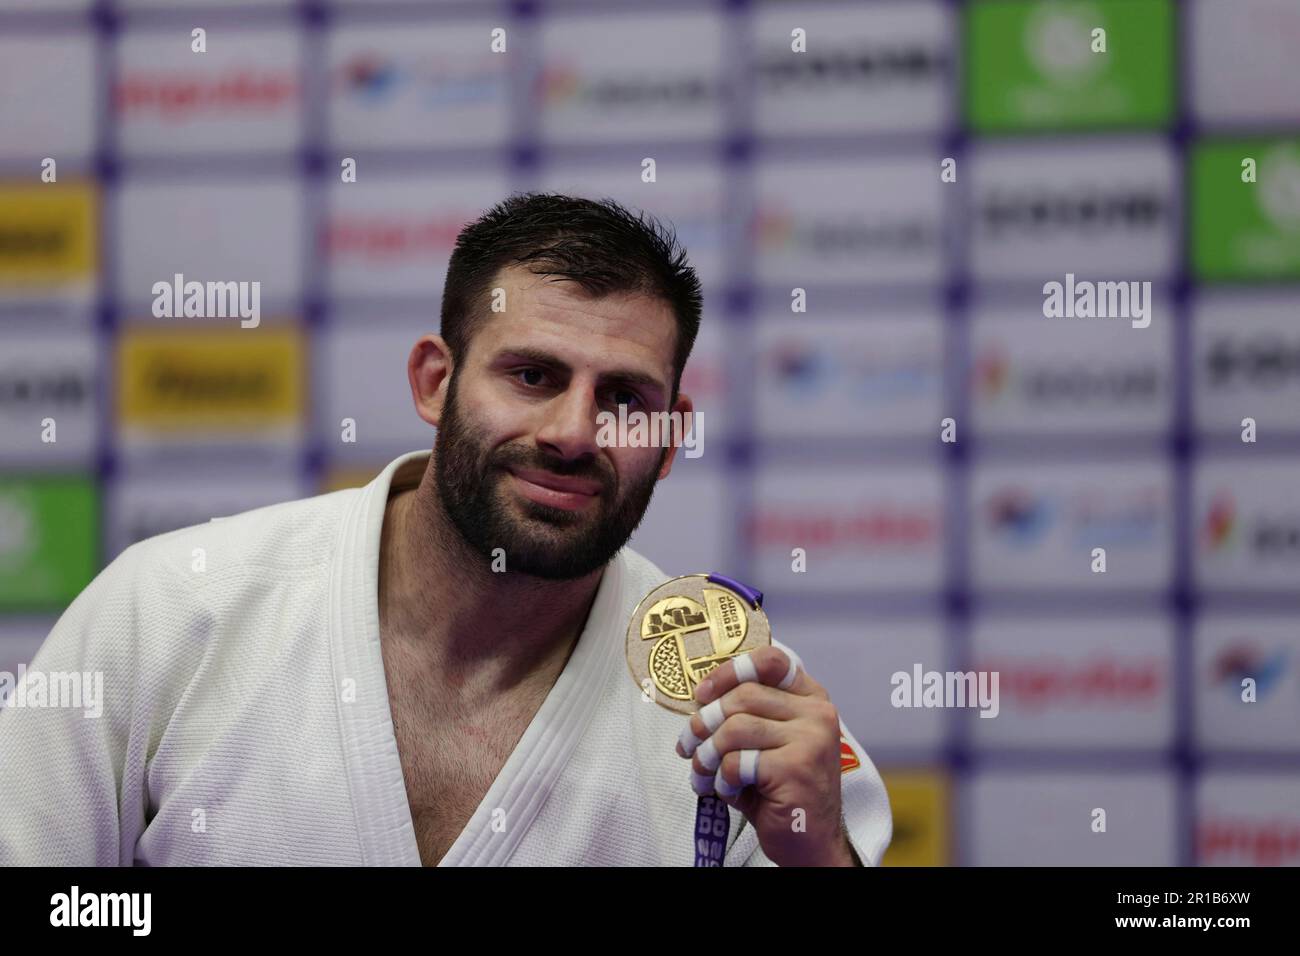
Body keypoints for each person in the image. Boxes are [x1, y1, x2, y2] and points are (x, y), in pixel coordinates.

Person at [0, 193, 891, 866]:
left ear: (669, 439)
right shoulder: (170, 610)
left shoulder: (743, 712)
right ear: (435, 381)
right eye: (534, 376)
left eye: (625, 399)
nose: (575, 434)